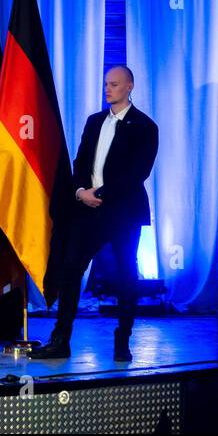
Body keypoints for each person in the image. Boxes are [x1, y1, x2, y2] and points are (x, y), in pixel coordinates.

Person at [30, 65, 159, 362]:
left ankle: (122, 339)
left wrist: (99, 194)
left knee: (127, 273)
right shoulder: (94, 121)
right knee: (71, 268)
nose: (108, 89)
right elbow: (79, 164)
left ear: (130, 87)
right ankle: (60, 338)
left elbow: (138, 172)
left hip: (123, 212)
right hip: (88, 210)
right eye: (106, 84)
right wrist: (80, 193)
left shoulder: (145, 126)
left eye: (114, 84)